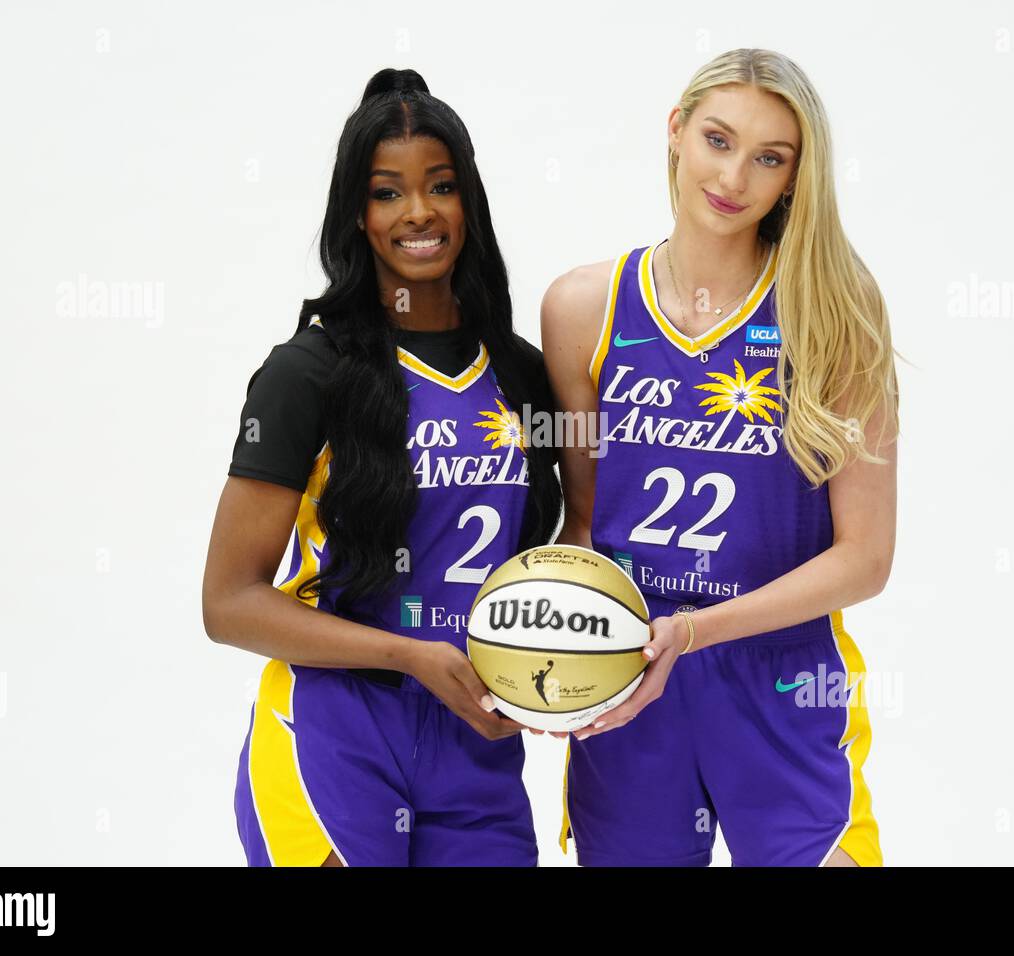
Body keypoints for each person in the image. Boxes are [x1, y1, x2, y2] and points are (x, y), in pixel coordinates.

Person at [539, 48, 899, 866]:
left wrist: (694, 632)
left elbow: (866, 559)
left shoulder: (833, 312)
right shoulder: (582, 309)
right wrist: (542, 643)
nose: (735, 176)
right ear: (676, 131)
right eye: (718, 139)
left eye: (769, 158)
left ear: (794, 179)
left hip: (784, 680)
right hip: (631, 682)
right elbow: (587, 524)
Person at [202, 68, 561, 866]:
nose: (419, 212)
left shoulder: (526, 376)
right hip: (336, 727)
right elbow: (227, 604)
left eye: (440, 185)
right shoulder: (306, 375)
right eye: (387, 192)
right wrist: (405, 654)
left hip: (476, 737)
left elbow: (564, 548)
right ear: (357, 216)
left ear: (469, 200)